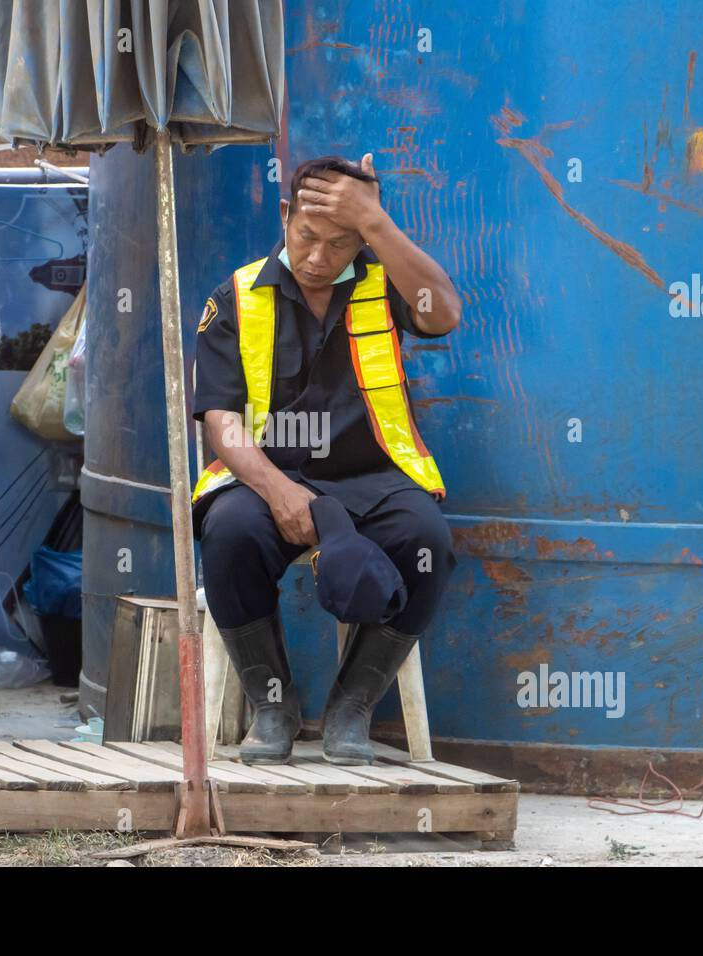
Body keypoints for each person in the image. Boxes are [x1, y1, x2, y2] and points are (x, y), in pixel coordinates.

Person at [190, 153, 461, 765]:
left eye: (340, 243)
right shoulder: (235, 296)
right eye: (307, 237)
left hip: (373, 477)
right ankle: (272, 704)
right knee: (230, 535)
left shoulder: (381, 281)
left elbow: (442, 313)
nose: (318, 257)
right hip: (266, 480)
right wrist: (277, 490)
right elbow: (221, 421)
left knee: (429, 542)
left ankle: (352, 707)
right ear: (285, 216)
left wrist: (377, 223)